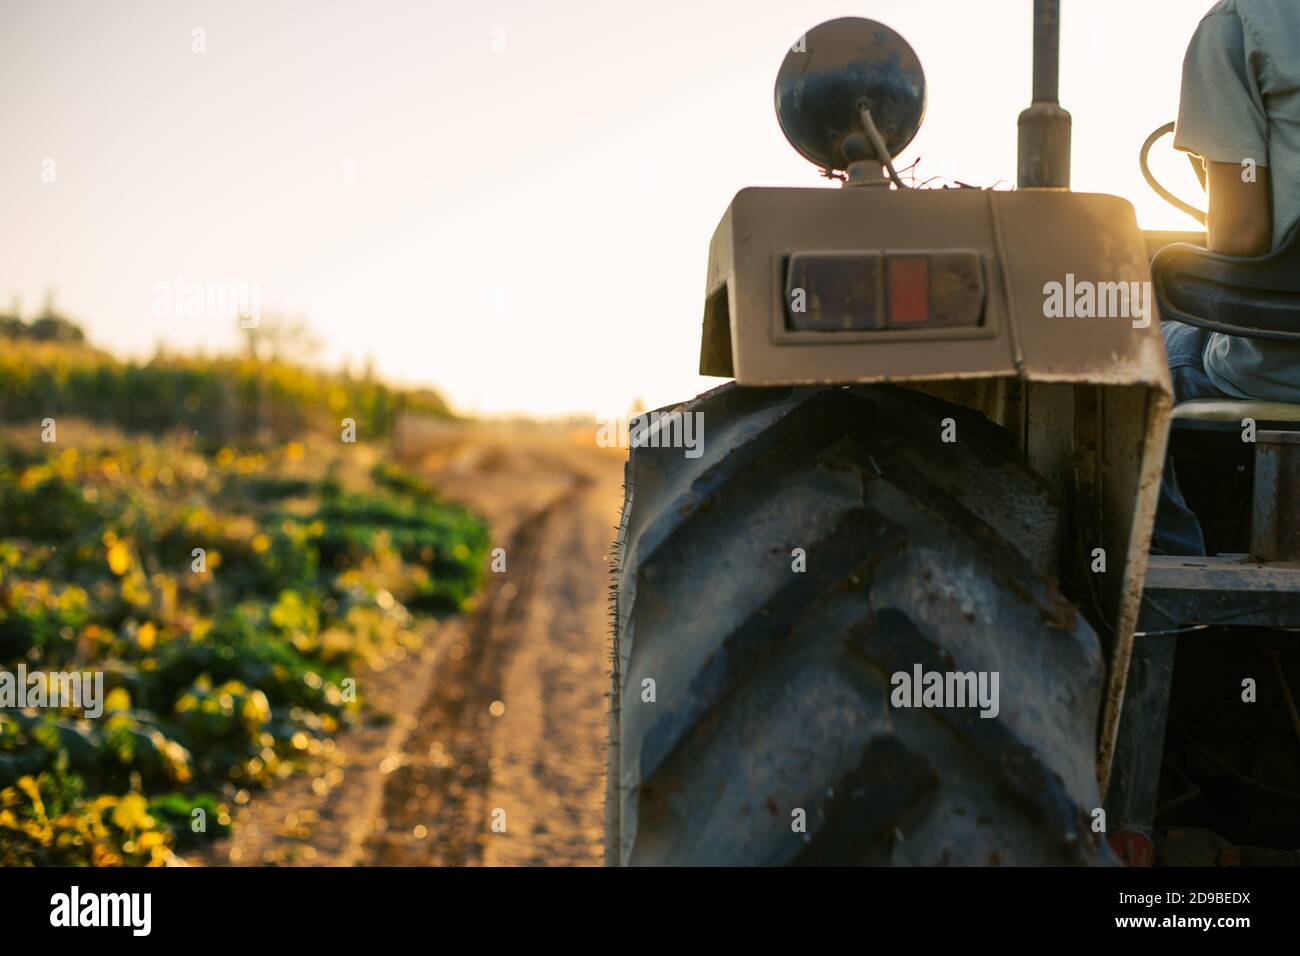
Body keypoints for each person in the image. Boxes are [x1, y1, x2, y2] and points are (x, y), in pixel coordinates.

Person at [1152, 0, 1300, 555]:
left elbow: (1240, 236)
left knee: (1129, 359)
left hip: (1280, 374)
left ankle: (1173, 587)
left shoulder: (1240, 21)